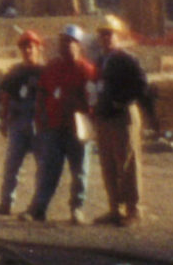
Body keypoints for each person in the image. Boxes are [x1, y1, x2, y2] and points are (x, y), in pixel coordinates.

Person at [88, 17, 158, 227]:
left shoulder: (127, 59)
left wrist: (121, 102)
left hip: (123, 115)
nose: (106, 38)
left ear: (118, 36)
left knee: (127, 163)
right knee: (108, 164)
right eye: (103, 35)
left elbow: (142, 85)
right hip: (105, 116)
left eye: (110, 34)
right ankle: (114, 209)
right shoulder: (100, 61)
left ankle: (133, 210)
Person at [24, 25, 92, 223]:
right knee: (48, 171)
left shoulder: (87, 70)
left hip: (77, 130)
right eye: (64, 42)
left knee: (80, 171)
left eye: (71, 42)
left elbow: (94, 99)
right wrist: (41, 120)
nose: (67, 46)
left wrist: (88, 117)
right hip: (54, 128)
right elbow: (42, 95)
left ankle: (77, 209)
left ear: (79, 46)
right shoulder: (52, 68)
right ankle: (39, 209)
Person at [0, 30, 46, 215]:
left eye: (31, 47)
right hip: (18, 121)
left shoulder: (45, 72)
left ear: (38, 49)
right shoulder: (14, 72)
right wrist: (4, 120)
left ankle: (38, 206)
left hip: (39, 122)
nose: (28, 50)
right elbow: (5, 97)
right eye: (24, 47)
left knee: (43, 167)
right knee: (12, 165)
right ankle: (6, 203)